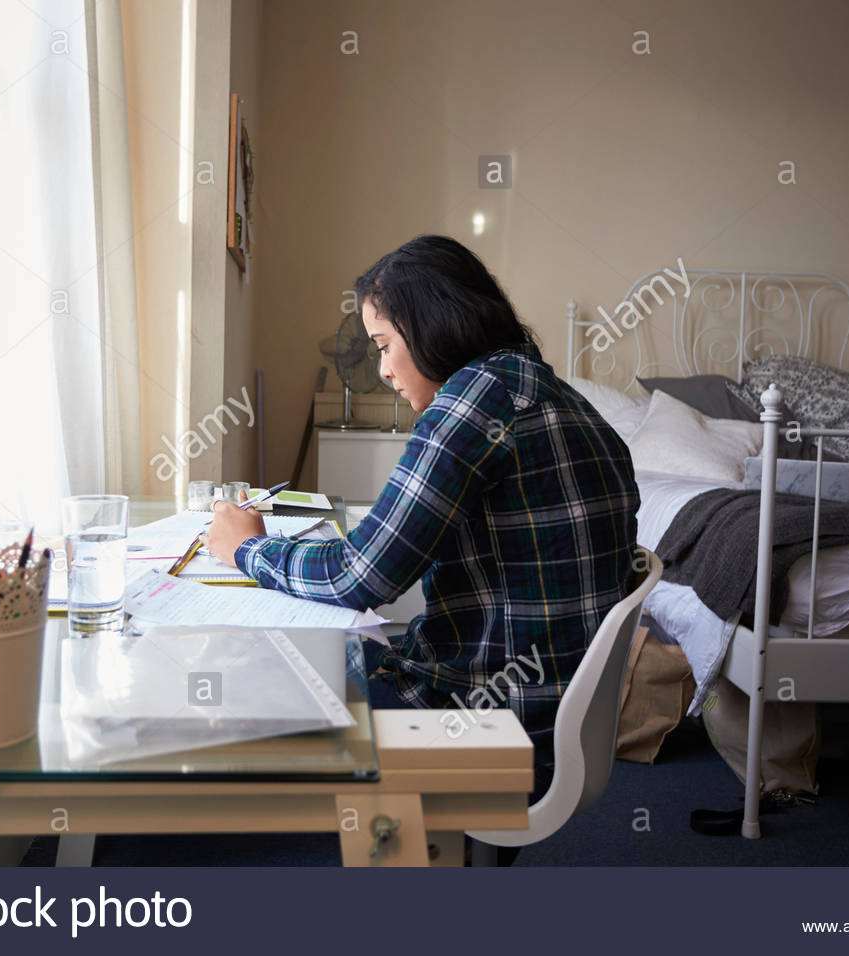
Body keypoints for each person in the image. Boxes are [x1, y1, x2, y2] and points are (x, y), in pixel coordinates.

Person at [204, 234, 640, 807]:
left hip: (494, 728)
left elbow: (360, 577)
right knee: (342, 655)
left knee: (266, 686)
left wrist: (247, 548)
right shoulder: (569, 402)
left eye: (384, 345)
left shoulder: (475, 399)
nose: (383, 370)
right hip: (558, 725)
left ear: (431, 326)